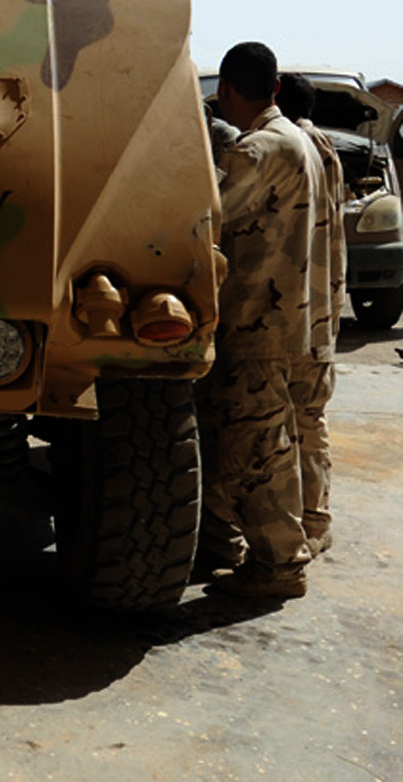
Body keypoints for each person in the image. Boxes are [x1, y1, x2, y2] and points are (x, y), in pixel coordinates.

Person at [196, 42, 325, 599]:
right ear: (273, 88)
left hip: (258, 322)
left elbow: (203, 216)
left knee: (259, 450)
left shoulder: (258, 150)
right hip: (287, 317)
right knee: (256, 441)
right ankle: (233, 544)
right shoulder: (301, 140)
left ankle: (279, 566)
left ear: (224, 91)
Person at [276, 71, 346, 556]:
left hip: (298, 303)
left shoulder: (291, 144)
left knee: (282, 423)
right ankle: (316, 518)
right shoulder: (327, 145)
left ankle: (296, 529)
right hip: (324, 300)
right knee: (311, 418)